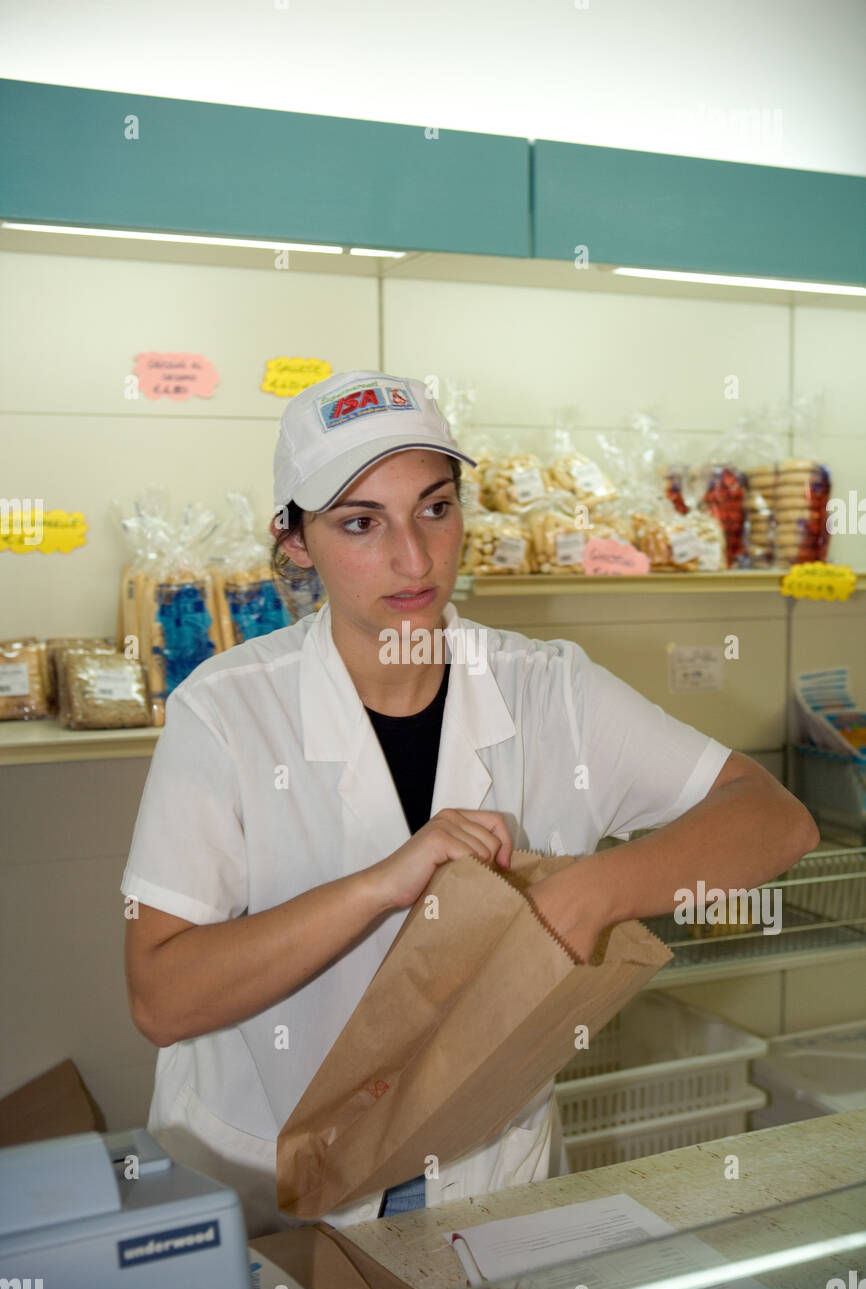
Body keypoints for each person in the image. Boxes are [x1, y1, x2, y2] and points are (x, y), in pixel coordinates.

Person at [123, 369, 819, 1238]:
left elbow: (774, 819)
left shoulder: (545, 690)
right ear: (294, 542)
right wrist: (382, 884)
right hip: (263, 1179)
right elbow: (160, 998)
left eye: (435, 508)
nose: (413, 559)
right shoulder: (227, 713)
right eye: (360, 523)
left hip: (482, 1172)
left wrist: (578, 897)